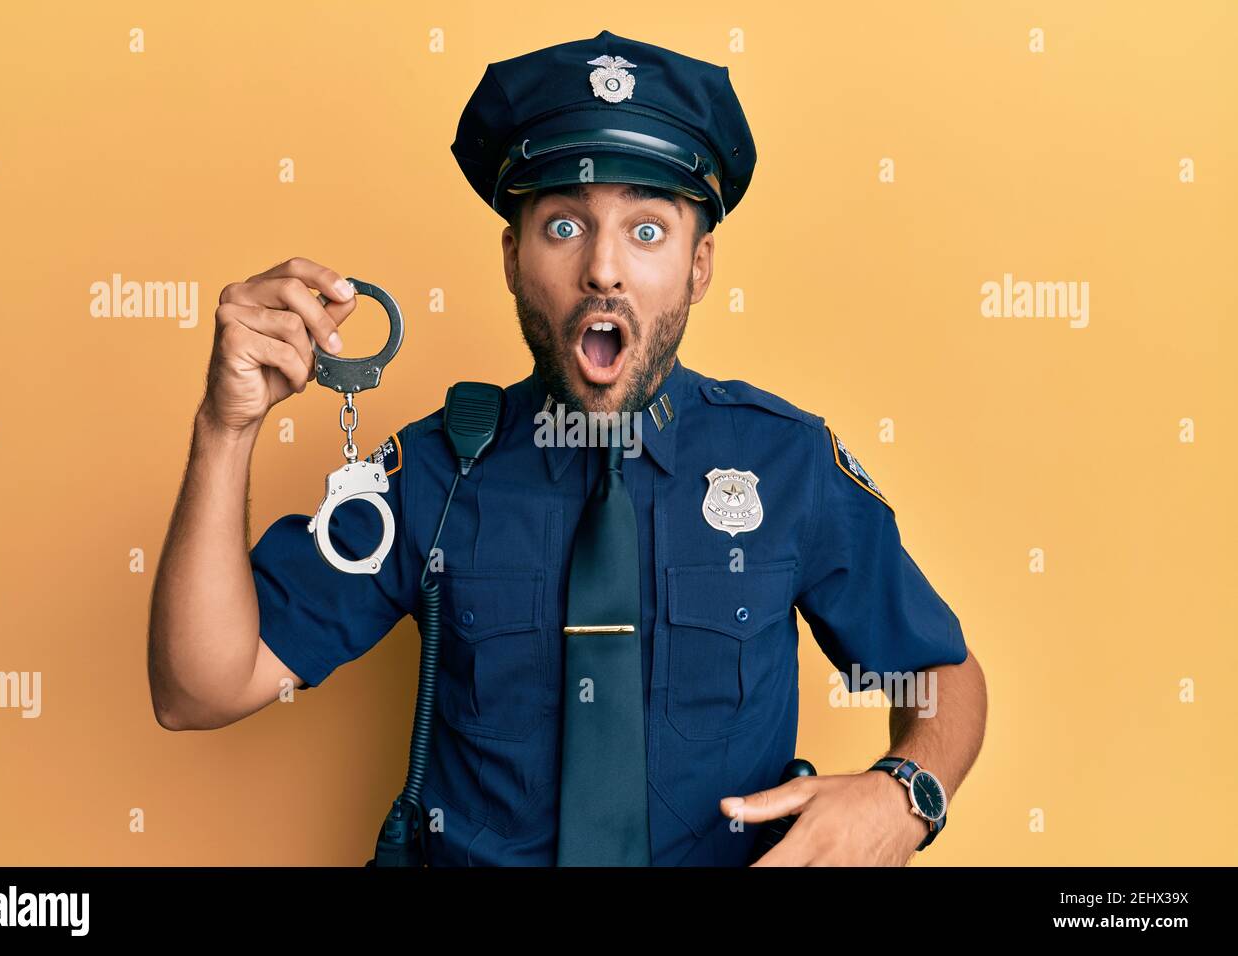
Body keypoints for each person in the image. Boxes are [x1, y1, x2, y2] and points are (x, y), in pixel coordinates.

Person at [147, 29, 987, 867]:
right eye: (562, 227)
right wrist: (227, 427)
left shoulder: (787, 465)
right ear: (513, 259)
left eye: (648, 231)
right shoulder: (434, 471)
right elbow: (200, 689)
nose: (604, 271)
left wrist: (905, 796)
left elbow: (941, 674)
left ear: (699, 269)